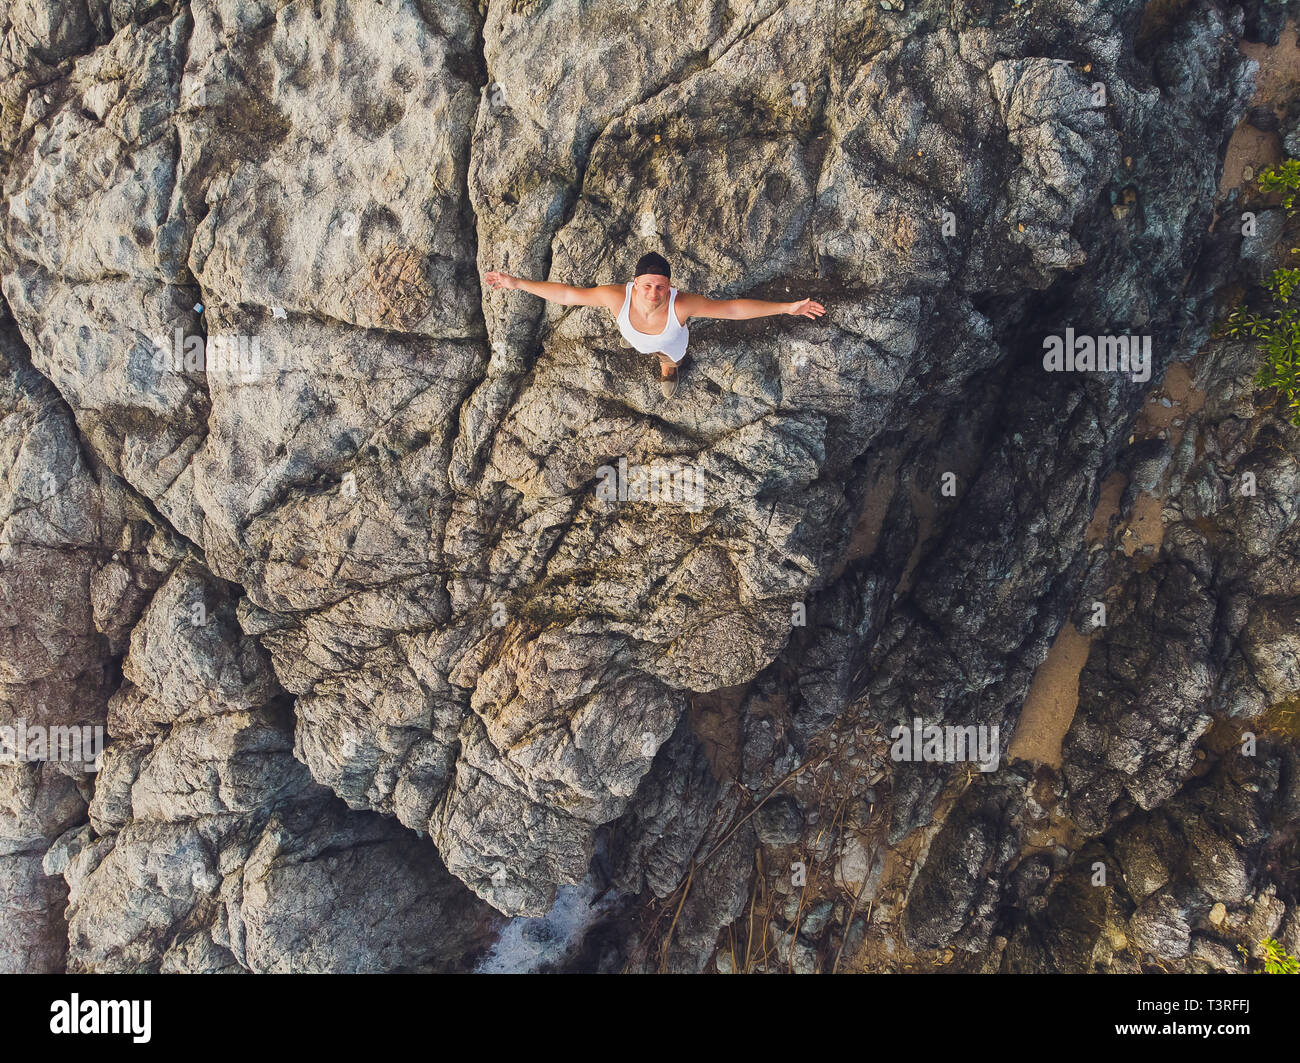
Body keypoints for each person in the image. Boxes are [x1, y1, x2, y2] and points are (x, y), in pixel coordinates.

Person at [483, 251, 826, 398]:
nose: (654, 292)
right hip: (635, 338)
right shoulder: (616, 297)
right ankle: (659, 360)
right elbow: (569, 294)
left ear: (669, 286)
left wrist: (787, 308)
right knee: (644, 346)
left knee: (670, 356)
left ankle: (669, 369)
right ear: (635, 284)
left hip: (671, 341)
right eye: (647, 285)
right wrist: (518, 283)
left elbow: (732, 310)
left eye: (661, 286)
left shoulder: (682, 304)